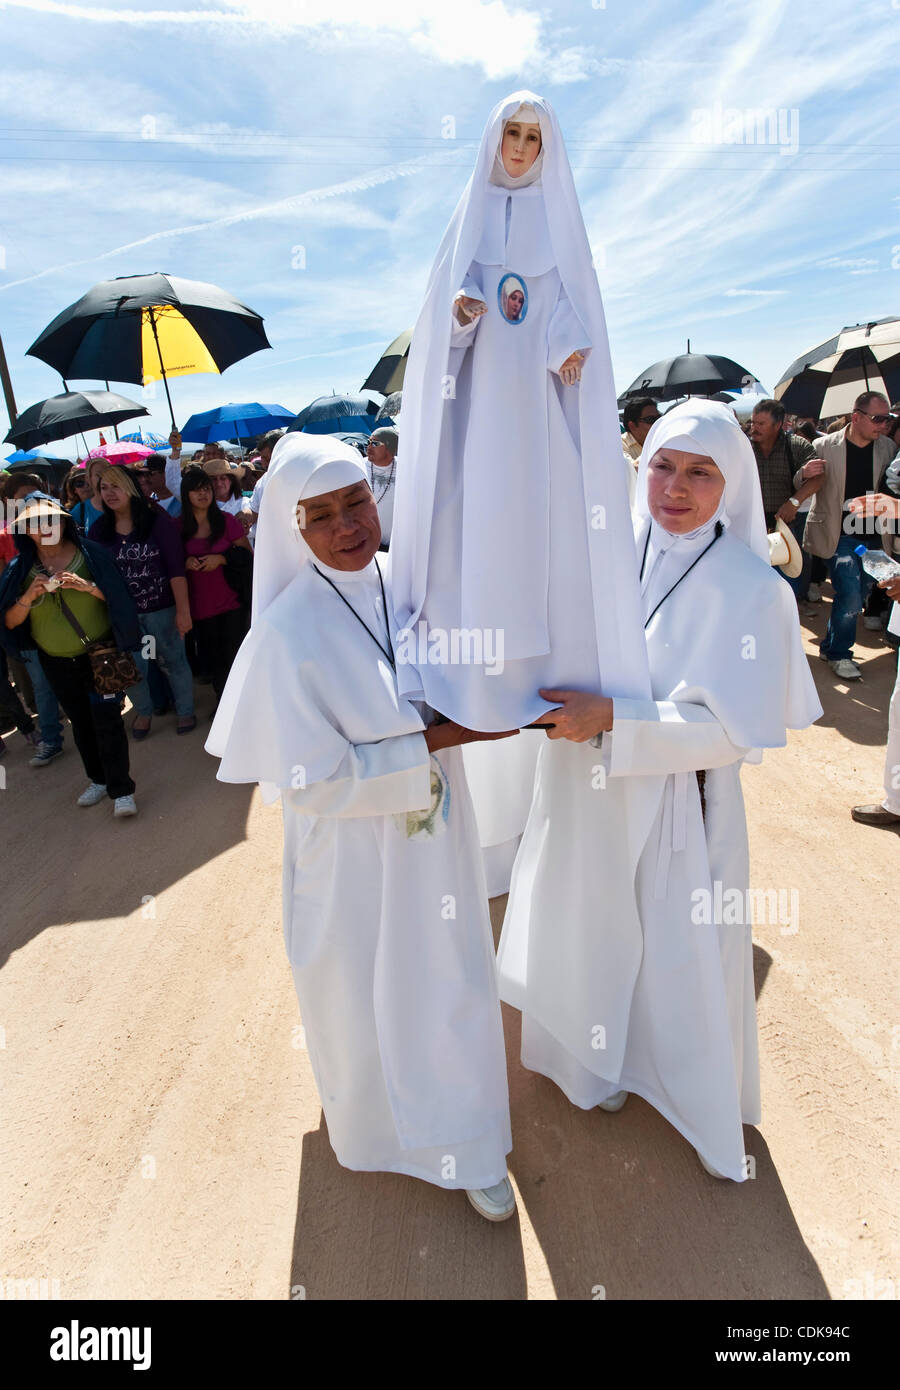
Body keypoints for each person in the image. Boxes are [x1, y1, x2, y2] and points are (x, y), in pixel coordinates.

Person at [498, 400, 822, 1181]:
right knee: (590, 925)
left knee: (677, 953)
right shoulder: (612, 554)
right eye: (665, 466)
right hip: (588, 787)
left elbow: (735, 733)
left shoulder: (753, 590)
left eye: (700, 473)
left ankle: (680, 1087)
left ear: (730, 484)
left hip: (683, 806)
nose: (675, 488)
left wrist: (616, 717)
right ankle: (594, 1064)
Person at [205, 432, 516, 1220]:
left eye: (356, 504)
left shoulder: (403, 585)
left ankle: (467, 1140)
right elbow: (316, 783)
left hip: (432, 837)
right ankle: (375, 1126)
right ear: (291, 530)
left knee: (446, 977)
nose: (347, 526)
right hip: (350, 855)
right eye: (321, 515)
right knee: (359, 990)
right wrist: (448, 737)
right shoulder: (285, 635)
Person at [391, 91, 648, 733]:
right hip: (475, 416)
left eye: (535, 138)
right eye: (514, 133)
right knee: (467, 529)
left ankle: (548, 674)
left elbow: (569, 306)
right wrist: (456, 316)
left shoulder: (560, 229)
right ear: (494, 137)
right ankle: (473, 683)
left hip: (538, 417)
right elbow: (441, 321)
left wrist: (568, 345)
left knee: (553, 536)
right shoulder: (468, 225)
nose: (522, 147)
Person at [0, 493, 140, 816]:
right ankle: (99, 780)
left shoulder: (91, 554)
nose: (43, 528)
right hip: (55, 661)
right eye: (34, 523)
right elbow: (8, 622)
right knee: (81, 723)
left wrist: (87, 587)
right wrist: (28, 597)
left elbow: (120, 599)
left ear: (62, 523)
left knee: (107, 720)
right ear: (25, 532)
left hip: (100, 653)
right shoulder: (19, 570)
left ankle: (121, 790)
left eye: (49, 520)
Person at [89, 466, 196, 738]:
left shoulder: (156, 521)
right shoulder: (99, 531)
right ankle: (144, 711)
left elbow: (175, 569)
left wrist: (183, 611)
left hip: (162, 610)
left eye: (116, 486)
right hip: (125, 618)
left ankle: (185, 710)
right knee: (135, 668)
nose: (109, 493)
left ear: (130, 488)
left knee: (174, 662)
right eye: (104, 487)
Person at [799, 391, 898, 679]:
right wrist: (804, 473)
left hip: (875, 537)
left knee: (864, 590)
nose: (884, 425)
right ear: (856, 417)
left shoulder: (888, 448)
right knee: (851, 595)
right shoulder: (822, 445)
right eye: (878, 419)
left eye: (888, 419)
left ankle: (830, 646)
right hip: (839, 535)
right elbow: (799, 480)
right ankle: (841, 654)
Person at [1, 476, 66, 765]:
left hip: (71, 626)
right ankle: (51, 738)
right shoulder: (9, 543)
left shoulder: (68, 538)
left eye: (37, 496)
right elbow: (7, 603)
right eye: (24, 498)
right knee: (41, 685)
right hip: (33, 632)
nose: (31, 503)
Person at [179, 466, 252, 704]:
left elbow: (247, 555)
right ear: (186, 494)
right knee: (214, 660)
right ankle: (224, 705)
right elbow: (169, 563)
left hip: (231, 602)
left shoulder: (227, 521)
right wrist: (185, 561)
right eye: (197, 490)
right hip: (199, 607)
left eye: (207, 489)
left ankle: (244, 705)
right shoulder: (176, 526)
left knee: (236, 656)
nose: (203, 494)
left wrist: (221, 558)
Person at [748, 399, 821, 602]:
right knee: (753, 579)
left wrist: (794, 502)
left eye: (761, 424)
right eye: (753, 422)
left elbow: (819, 477)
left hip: (788, 524)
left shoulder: (796, 445)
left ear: (778, 425)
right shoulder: (743, 446)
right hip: (753, 523)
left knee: (788, 579)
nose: (754, 428)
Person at [364, 426, 399, 547]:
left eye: (375, 443)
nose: (369, 447)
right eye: (368, 442)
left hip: (395, 546)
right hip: (366, 544)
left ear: (390, 446)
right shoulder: (359, 466)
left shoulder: (406, 468)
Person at [203, 458, 253, 534]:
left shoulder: (245, 503)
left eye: (223, 478)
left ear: (231, 480)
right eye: (214, 479)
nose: (219, 483)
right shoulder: (201, 508)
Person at [69, 458, 107, 533]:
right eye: (80, 483)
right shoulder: (79, 510)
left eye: (102, 474)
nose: (86, 486)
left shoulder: (116, 500)